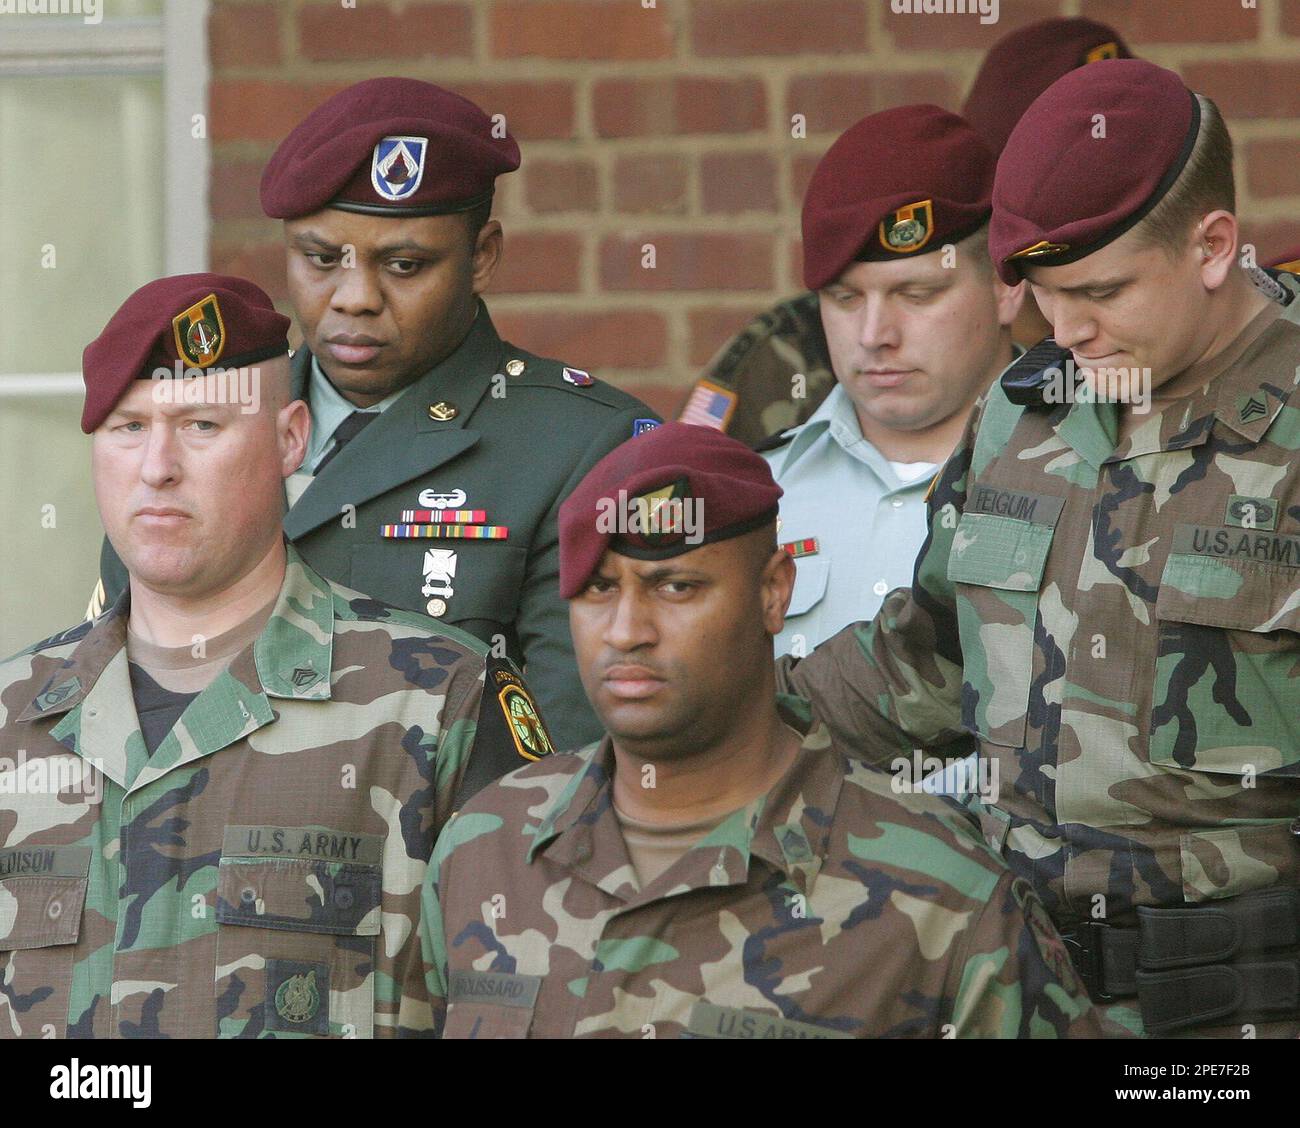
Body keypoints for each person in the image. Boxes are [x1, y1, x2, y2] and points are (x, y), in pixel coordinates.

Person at [775, 59, 1300, 1038]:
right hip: (1014, 993)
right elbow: (925, 657)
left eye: (1100, 291)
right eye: (1045, 296)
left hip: (1235, 1011)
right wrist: (715, 729)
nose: (1067, 330)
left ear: (1212, 246)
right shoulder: (1026, 416)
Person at [420, 423, 1107, 1039]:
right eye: (599, 590)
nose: (627, 632)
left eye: (676, 587)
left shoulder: (940, 892)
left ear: (774, 591)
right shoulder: (485, 849)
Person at [0, 274, 553, 1039]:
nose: (157, 465)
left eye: (201, 425)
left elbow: (528, 1002)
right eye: (128, 426)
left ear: (290, 438)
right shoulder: (11, 717)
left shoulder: (437, 702)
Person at [90, 78, 657, 750]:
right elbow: (118, 706)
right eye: (322, 258)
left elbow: (570, 768)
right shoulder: (188, 436)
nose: (355, 297)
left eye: (405, 264)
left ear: (482, 256)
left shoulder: (586, 445)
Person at [682, 16, 1132, 447]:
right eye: (1044, 186)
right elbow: (698, 480)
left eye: (1127, 197)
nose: (1082, 224)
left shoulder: (1147, 339)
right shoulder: (797, 347)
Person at [759, 105, 1022, 657]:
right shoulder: (759, 496)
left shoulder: (1098, 474)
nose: (875, 334)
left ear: (1006, 287)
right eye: (845, 298)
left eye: (917, 294)